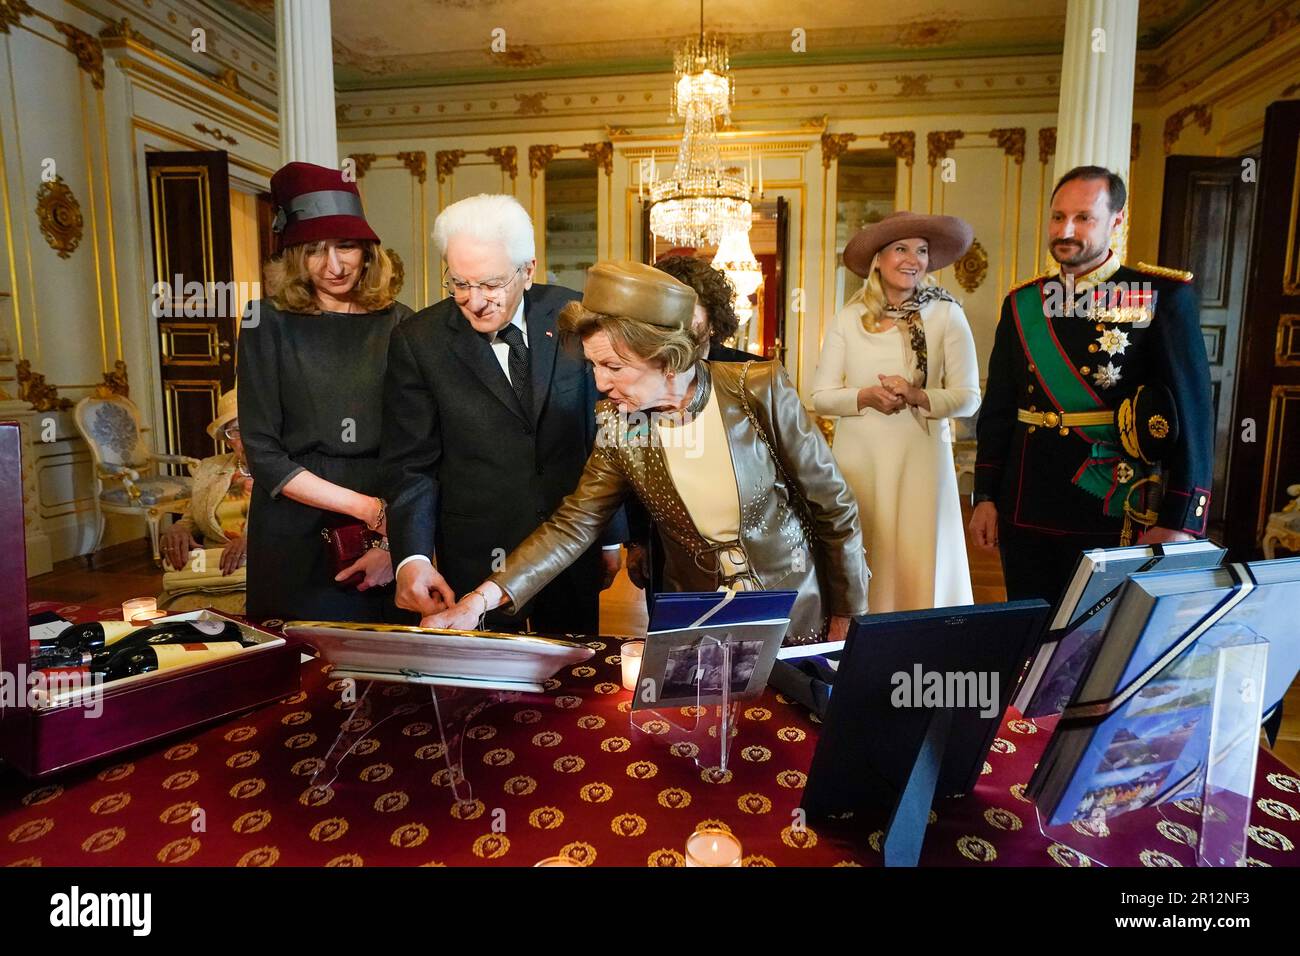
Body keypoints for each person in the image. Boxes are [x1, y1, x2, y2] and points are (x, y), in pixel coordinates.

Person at [419, 261, 870, 646]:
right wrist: (479, 601)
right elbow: (573, 525)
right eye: (594, 366)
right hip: (697, 620)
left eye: (614, 367)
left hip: (793, 609)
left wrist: (847, 613)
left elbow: (834, 508)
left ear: (667, 359)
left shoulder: (757, 389)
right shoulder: (622, 423)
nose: (600, 383)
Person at [382, 194, 626, 636]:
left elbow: (604, 434)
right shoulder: (418, 340)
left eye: (492, 284)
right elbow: (411, 464)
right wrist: (412, 558)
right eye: (459, 283)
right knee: (483, 689)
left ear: (528, 271)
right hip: (474, 554)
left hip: (569, 545)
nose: (475, 301)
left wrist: (611, 534)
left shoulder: (576, 315)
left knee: (573, 682)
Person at [970, 165, 1213, 603]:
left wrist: (1179, 517)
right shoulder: (1023, 303)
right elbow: (1000, 408)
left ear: (1116, 221)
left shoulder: (1159, 296)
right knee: (1032, 630)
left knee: (1102, 644)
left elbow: (1192, 415)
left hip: (1112, 502)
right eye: (1058, 216)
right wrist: (985, 494)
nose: (1066, 230)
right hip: (1026, 504)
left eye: (1084, 217)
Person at [237, 161, 410, 622]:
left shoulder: (402, 323)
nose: (334, 266)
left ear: (368, 249)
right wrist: (365, 508)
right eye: (314, 250)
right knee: (301, 670)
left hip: (388, 525)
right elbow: (262, 452)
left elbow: (422, 444)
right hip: (295, 523)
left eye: (347, 246)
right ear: (293, 256)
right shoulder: (264, 322)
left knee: (390, 672)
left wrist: (391, 536)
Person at [813, 212, 981, 612]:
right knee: (867, 548)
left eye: (921, 250)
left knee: (918, 552)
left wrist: (919, 396)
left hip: (922, 460)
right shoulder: (847, 319)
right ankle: (861, 639)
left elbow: (969, 397)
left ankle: (918, 640)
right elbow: (821, 396)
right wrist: (867, 396)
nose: (913, 259)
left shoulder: (947, 314)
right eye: (901, 249)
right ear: (878, 259)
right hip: (860, 461)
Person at [623, 255, 771, 607]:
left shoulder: (753, 375)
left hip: (755, 552)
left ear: (712, 315)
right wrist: (636, 542)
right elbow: (632, 471)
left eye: (688, 309)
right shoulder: (638, 383)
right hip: (670, 551)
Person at [157, 389, 251, 613]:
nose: (246, 437)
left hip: (266, 575)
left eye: (253, 425)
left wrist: (257, 543)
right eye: (236, 430)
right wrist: (177, 529)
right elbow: (191, 518)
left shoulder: (293, 471)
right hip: (210, 574)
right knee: (177, 617)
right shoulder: (209, 468)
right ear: (227, 440)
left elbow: (304, 528)